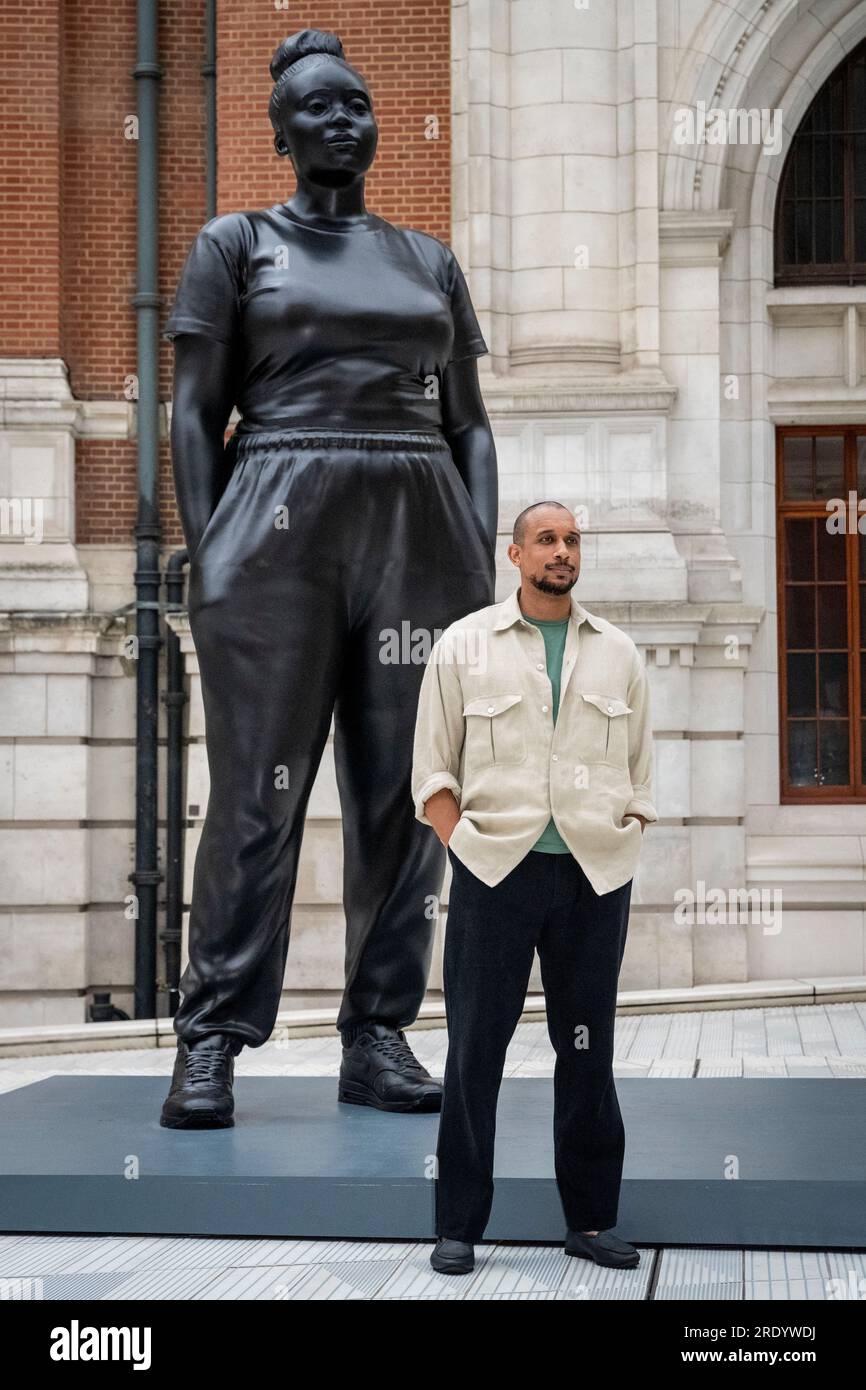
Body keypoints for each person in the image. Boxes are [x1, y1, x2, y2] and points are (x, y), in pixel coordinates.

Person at [159, 28, 497, 1128]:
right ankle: (210, 1038)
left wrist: (476, 547)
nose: (343, 117)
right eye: (318, 106)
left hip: (417, 521)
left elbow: (470, 426)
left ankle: (377, 1033)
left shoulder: (424, 259)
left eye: (356, 101)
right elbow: (195, 410)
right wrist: (211, 549)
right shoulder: (234, 242)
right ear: (281, 131)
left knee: (406, 800)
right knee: (257, 798)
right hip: (276, 518)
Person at [411, 502, 658, 1273]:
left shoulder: (618, 653)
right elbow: (432, 771)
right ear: (514, 555)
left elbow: (642, 770)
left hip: (592, 875)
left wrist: (628, 835)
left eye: (573, 540)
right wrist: (469, 851)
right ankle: (457, 1226)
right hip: (496, 873)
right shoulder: (463, 646)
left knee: (587, 1051)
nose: (562, 552)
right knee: (474, 1049)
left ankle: (589, 1222)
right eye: (546, 540)